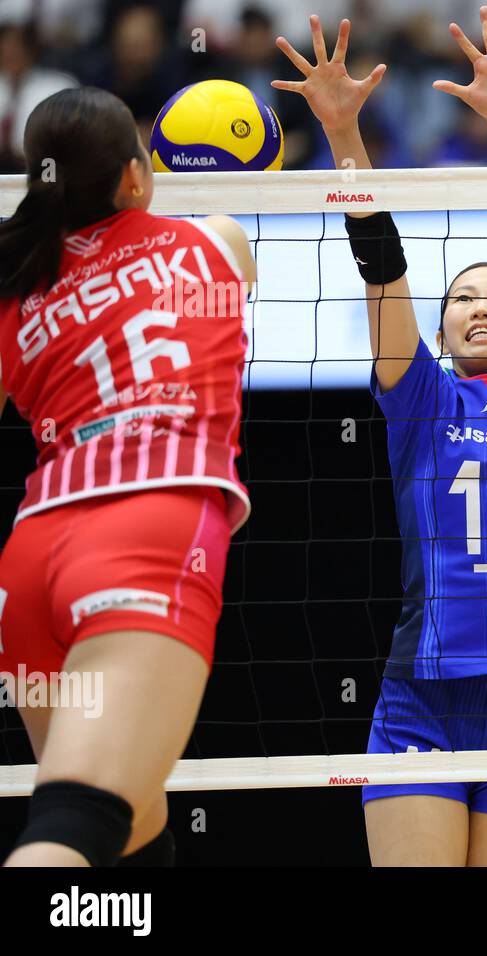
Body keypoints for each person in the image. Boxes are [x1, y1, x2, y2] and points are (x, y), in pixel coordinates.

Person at [274, 8, 487, 866]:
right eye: (462, 299)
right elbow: (380, 265)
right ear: (443, 330)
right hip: (421, 701)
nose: (482, 305)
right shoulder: (418, 401)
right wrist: (343, 131)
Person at [0, 86, 256, 866]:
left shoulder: (12, 290)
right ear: (137, 177)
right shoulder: (217, 243)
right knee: (77, 826)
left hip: (32, 566)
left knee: (135, 828)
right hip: (146, 532)